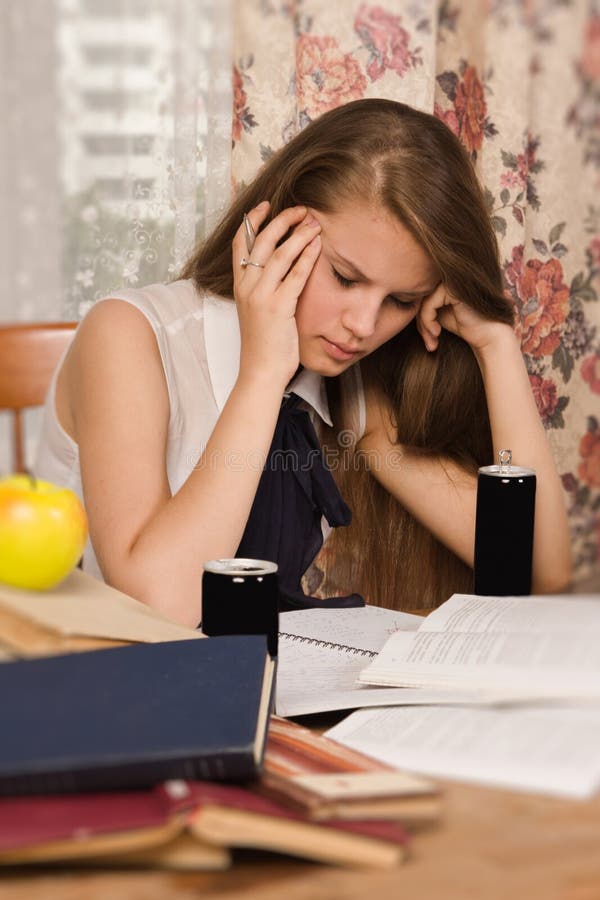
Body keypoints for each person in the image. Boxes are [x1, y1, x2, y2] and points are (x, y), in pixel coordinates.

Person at [35, 99, 572, 626]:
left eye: (401, 301)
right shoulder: (131, 336)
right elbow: (158, 609)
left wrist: (495, 346)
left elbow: (535, 571)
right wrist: (263, 375)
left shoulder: (352, 388)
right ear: (278, 231)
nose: (363, 325)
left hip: (258, 693)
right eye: (344, 277)